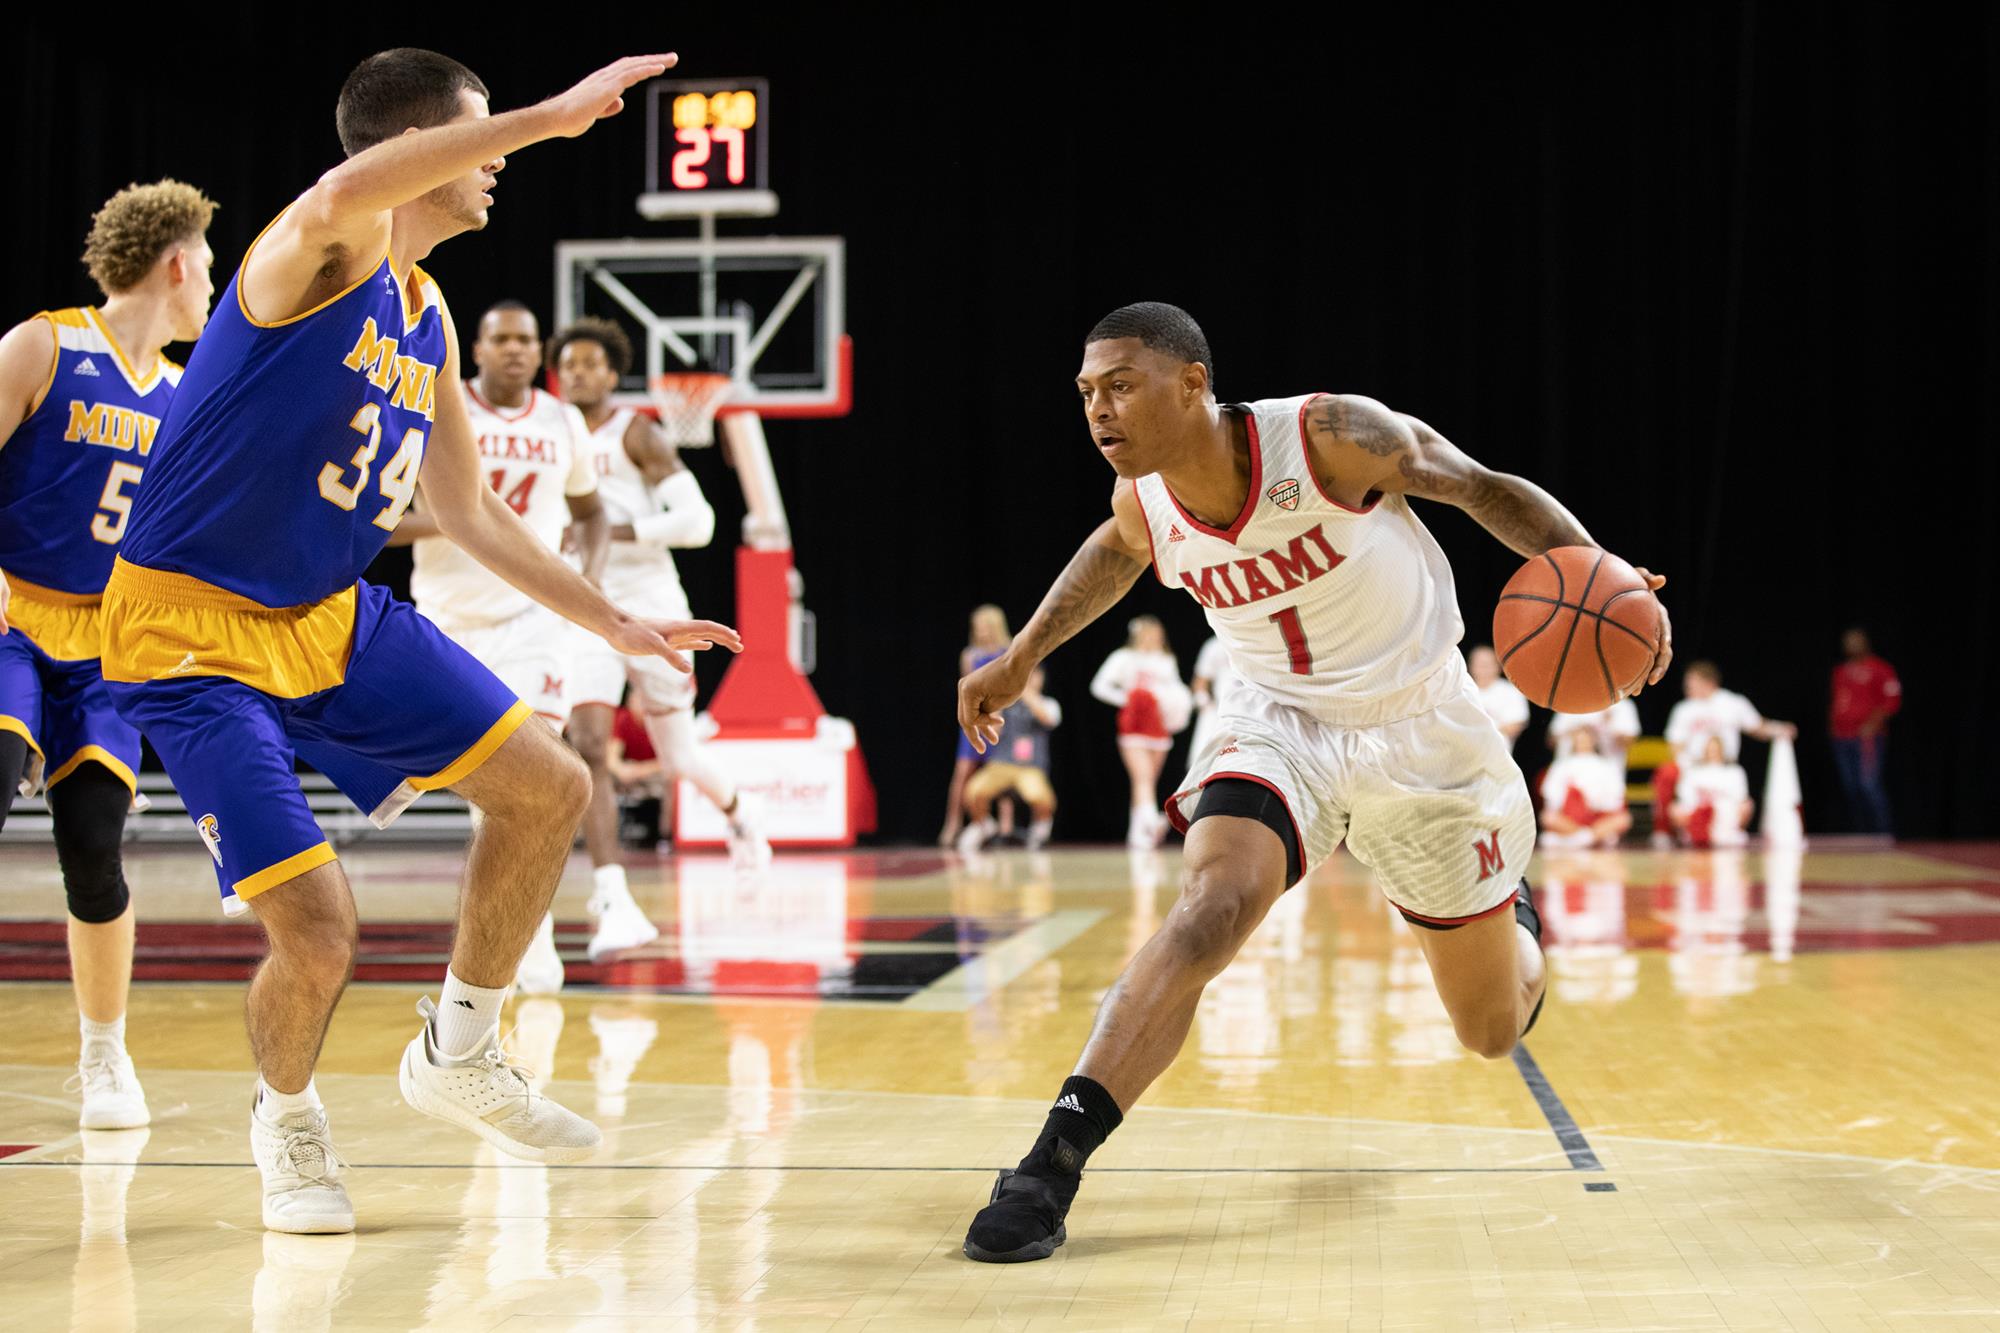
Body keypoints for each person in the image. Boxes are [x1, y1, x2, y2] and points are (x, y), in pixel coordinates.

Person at [94, 48, 738, 1235]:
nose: (496, 164)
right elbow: (347, 195)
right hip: (189, 628)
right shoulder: (315, 249)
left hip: (330, 614)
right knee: (321, 925)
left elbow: (472, 513)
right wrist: (551, 118)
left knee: (547, 789)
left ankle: (461, 1047)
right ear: (414, 149)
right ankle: (284, 1123)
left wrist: (614, 617)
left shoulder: (427, 312)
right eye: (478, 138)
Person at [954, 302, 1670, 1263]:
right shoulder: (1147, 500)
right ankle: (1049, 1163)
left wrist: (1595, 568)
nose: (1099, 409)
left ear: (1193, 382)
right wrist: (1022, 655)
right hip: (1276, 717)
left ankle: (1512, 913)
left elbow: (1483, 486)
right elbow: (1118, 552)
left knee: (1492, 1030)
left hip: (1419, 727)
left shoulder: (1332, 437)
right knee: (1212, 905)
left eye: (1121, 385)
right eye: (1087, 392)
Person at [0, 180, 217, 1130]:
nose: (213, 281)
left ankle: (104, 1055)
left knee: (93, 848)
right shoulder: (42, 342)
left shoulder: (185, 395)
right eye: (209, 262)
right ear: (176, 263)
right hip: (13, 613)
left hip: (110, 644)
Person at [390, 299, 614, 994]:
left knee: (538, 772)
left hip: (533, 617)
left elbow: (592, 509)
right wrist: (460, 523)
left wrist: (588, 580)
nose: (515, 349)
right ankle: (511, 936)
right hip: (450, 619)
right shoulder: (436, 404)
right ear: (477, 349)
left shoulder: (562, 420)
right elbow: (382, 516)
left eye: (526, 338)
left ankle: (533, 937)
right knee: (485, 791)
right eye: (501, 339)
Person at [548, 317, 769, 912]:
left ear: (614, 374)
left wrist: (611, 528)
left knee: (679, 757)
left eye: (591, 363)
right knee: (588, 744)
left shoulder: (637, 434)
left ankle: (740, 812)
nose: (579, 373)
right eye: (568, 364)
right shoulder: (550, 436)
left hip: (654, 606)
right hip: (589, 606)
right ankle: (611, 893)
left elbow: (699, 524)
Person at [1656, 661, 1793, 845]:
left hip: (1725, 766)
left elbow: (1756, 726)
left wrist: (1779, 729)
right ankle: (1665, 833)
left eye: (1692, 682)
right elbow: (1675, 742)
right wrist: (1685, 766)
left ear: (1709, 682)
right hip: (1694, 766)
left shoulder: (1732, 703)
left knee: (1741, 802)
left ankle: (1727, 831)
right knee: (1667, 774)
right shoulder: (1684, 709)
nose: (1687, 687)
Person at [1091, 615, 1192, 847]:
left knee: (1146, 781)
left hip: (1158, 725)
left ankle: (1138, 834)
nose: (1153, 639)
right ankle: (1151, 821)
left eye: (1157, 635)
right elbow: (1099, 686)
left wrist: (1174, 706)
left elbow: (1175, 690)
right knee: (1143, 778)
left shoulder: (1166, 660)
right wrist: (1128, 699)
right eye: (1149, 634)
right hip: (1134, 724)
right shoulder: (1124, 657)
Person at [956, 667, 1062, 853]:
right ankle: (983, 826)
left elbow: (1048, 719)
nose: (1029, 679)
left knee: (1042, 798)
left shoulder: (1049, 703)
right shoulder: (1005, 704)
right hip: (1002, 763)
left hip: (1030, 767)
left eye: (1034, 675)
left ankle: (1039, 831)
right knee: (974, 791)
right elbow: (991, 732)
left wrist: (1027, 692)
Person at [941, 604, 1012, 844]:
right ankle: (953, 824)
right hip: (974, 719)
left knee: (1000, 772)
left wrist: (999, 714)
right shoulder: (970, 655)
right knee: (962, 774)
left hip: (999, 718)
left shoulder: (1007, 652)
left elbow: (1007, 688)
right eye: (977, 627)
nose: (981, 632)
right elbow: (966, 689)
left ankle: (1004, 826)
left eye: (985, 627)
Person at [1829, 627, 1899, 834]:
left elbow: (1891, 701)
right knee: (1851, 788)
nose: (1850, 645)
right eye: (1847, 641)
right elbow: (1837, 702)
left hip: (1866, 738)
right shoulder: (1841, 671)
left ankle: (1883, 833)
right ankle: (1861, 835)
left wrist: (1872, 724)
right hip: (1842, 737)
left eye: (1855, 641)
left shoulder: (1880, 669)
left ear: (1865, 643)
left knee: (1868, 785)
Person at [1537, 727, 1631, 848]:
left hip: (1598, 815)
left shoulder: (1606, 765)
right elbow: (1551, 795)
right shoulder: (1561, 765)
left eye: (1586, 739)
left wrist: (1595, 802)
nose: (1583, 742)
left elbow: (1616, 795)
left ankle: (1578, 838)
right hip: (1569, 816)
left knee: (1623, 819)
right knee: (1548, 817)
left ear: (1593, 741)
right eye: (1580, 739)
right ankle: (1592, 838)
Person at [1670, 735, 1753, 848]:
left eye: (1716, 749)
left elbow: (1740, 797)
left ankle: (1725, 834)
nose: (1713, 752)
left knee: (1746, 806)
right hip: (1697, 812)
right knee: (1675, 809)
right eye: (1710, 749)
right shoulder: (1693, 771)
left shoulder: (1735, 771)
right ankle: (1694, 834)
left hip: (1725, 813)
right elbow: (1685, 797)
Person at [1187, 634, 1239, 769]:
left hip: (1248, 712)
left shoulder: (1253, 642)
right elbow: (1200, 680)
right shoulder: (1214, 645)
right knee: (1204, 759)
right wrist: (1203, 701)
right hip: (1217, 712)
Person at [1466, 644, 1528, 744]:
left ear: (1498, 666)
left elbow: (1515, 725)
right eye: (1479, 664)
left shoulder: (1510, 691)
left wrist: (1479, 731)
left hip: (1496, 753)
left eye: (1487, 664)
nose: (1483, 669)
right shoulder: (1462, 690)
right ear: (1470, 666)